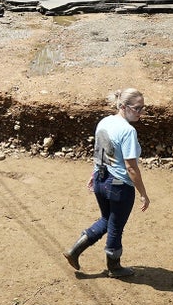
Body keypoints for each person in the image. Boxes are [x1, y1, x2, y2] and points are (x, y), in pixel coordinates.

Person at [63, 88, 150, 278]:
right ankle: (114, 267)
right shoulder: (128, 131)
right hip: (118, 185)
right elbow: (131, 167)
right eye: (138, 108)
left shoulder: (104, 122)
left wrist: (95, 174)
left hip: (101, 181)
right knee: (115, 226)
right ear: (124, 106)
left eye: (143, 108)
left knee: (106, 219)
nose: (141, 112)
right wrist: (143, 193)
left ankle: (74, 251)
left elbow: (99, 152)